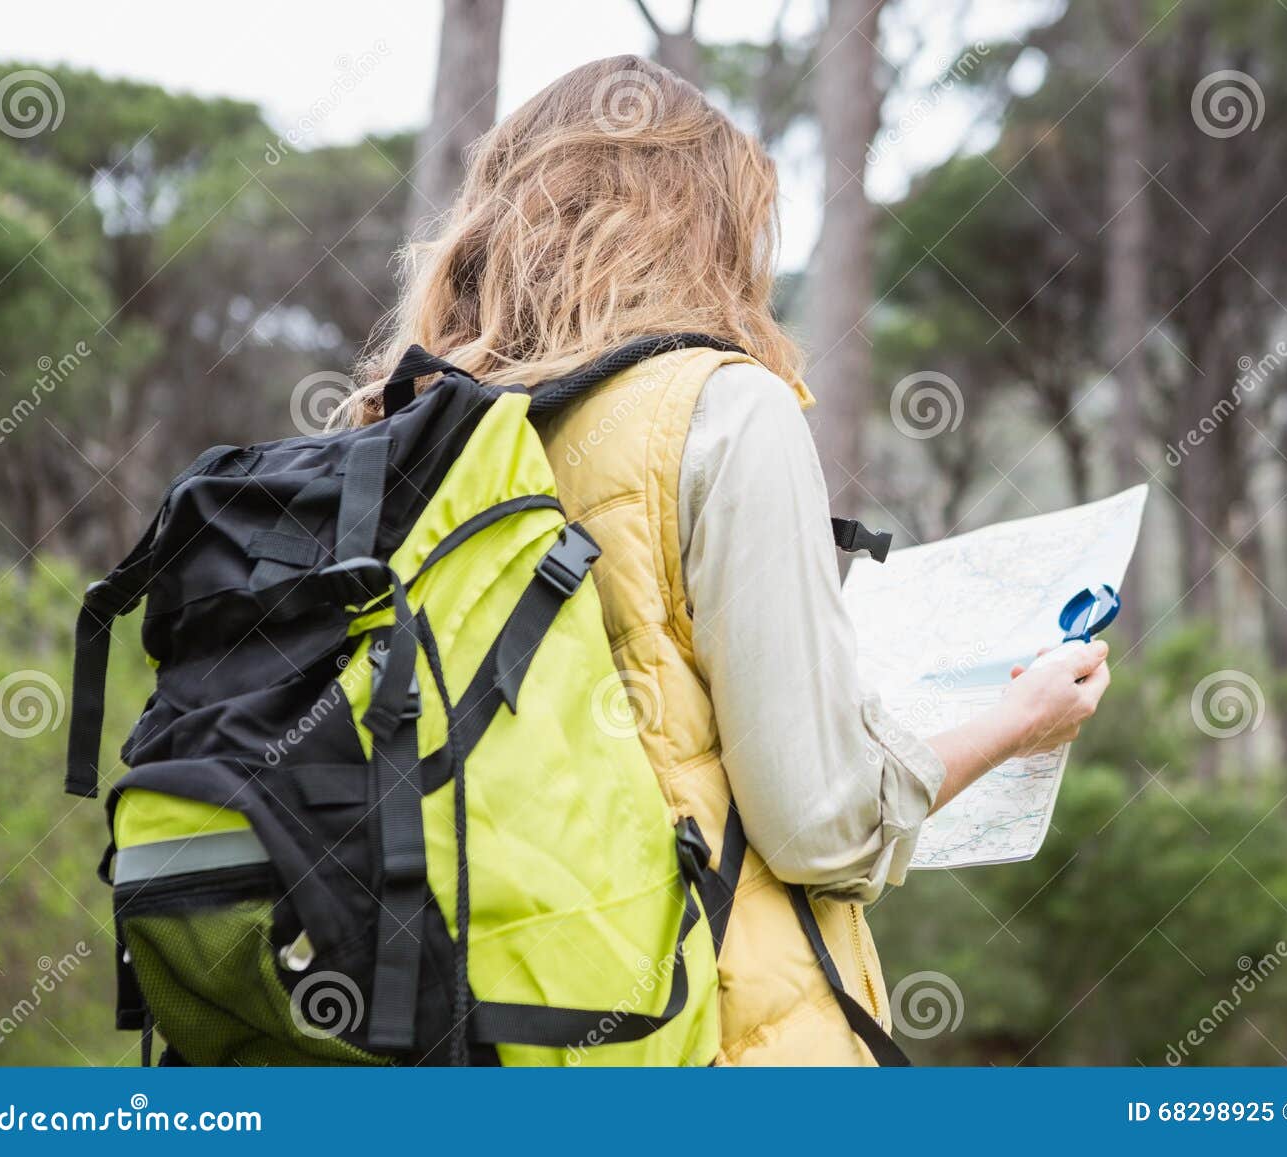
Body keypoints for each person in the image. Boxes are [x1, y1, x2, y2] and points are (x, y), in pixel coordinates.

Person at [345, 55, 1111, 1065]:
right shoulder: (719, 405)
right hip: (715, 1027)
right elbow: (818, 826)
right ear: (698, 225)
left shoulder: (401, 438)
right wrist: (1017, 720)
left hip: (495, 1024)